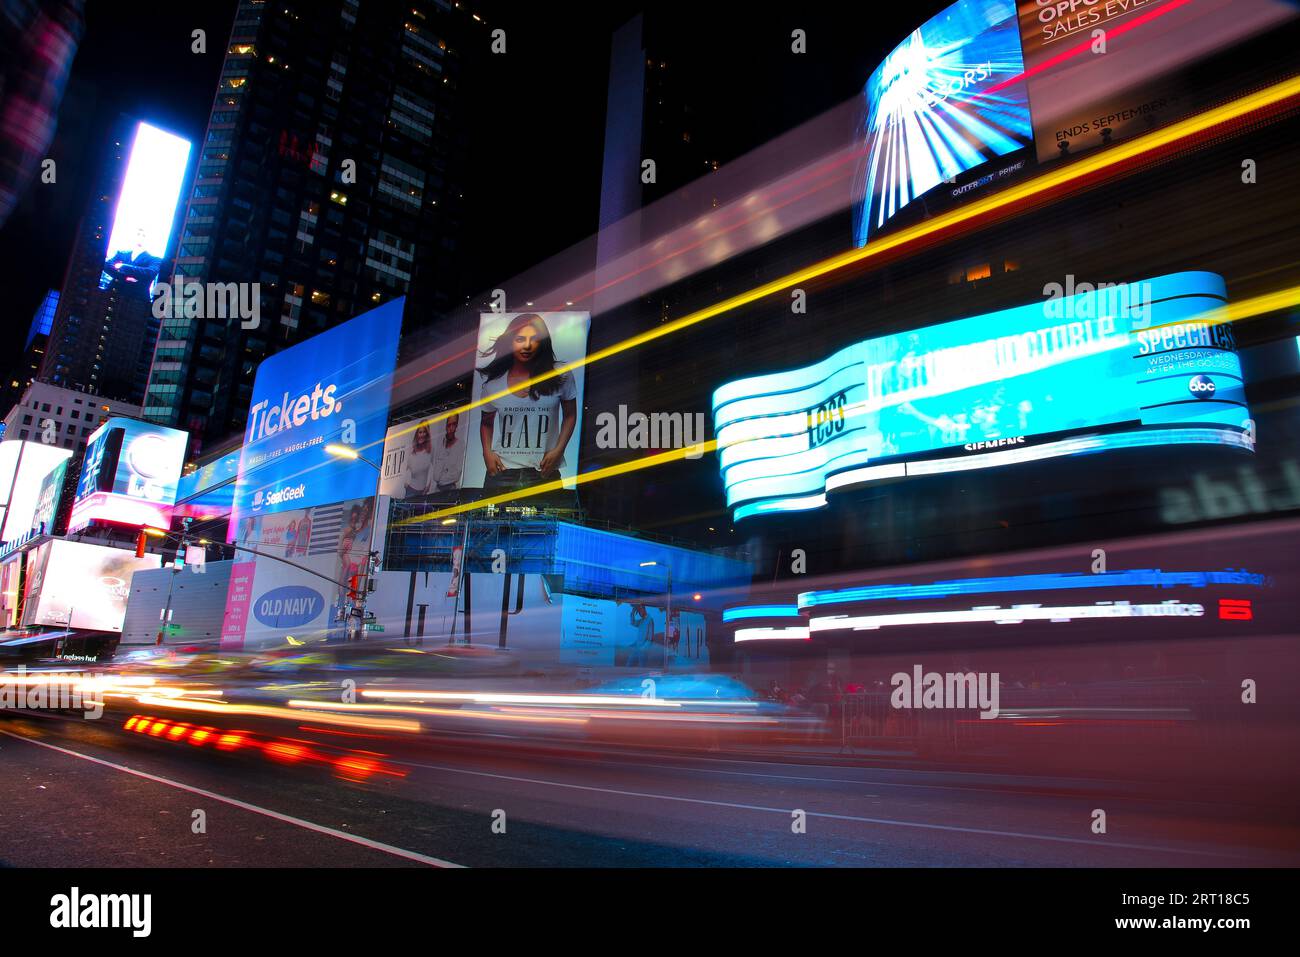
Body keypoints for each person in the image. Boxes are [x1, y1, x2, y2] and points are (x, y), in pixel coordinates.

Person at [477, 314, 577, 493]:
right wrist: (487, 453)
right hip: (502, 473)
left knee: (547, 521)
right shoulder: (493, 384)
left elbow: (570, 415)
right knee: (494, 521)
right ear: (510, 342)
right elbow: (485, 423)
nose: (527, 345)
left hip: (544, 472)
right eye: (520, 339)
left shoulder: (560, 374)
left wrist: (559, 450)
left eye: (535, 339)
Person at [432, 414, 463, 492]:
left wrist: (441, 478)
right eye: (449, 425)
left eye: (454, 425)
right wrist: (446, 472)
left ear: (457, 426)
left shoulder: (460, 445)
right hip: (437, 490)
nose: (451, 428)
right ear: (446, 426)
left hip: (451, 490)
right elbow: (435, 476)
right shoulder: (440, 446)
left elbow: (456, 475)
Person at [402, 423, 434, 497]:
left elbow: (433, 469)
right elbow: (403, 469)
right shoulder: (411, 452)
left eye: (424, 432)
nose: (422, 434)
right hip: (411, 491)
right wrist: (405, 482)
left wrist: (428, 486)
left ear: (427, 434)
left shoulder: (430, 451)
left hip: (423, 493)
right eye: (420, 432)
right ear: (417, 434)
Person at [625, 602, 656, 668]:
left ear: (644, 609)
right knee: (629, 664)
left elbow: (650, 639)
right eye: (638, 611)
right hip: (637, 647)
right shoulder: (642, 620)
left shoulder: (650, 620)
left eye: (640, 610)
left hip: (643, 650)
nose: (639, 612)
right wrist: (632, 613)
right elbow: (633, 623)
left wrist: (643, 649)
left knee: (642, 668)